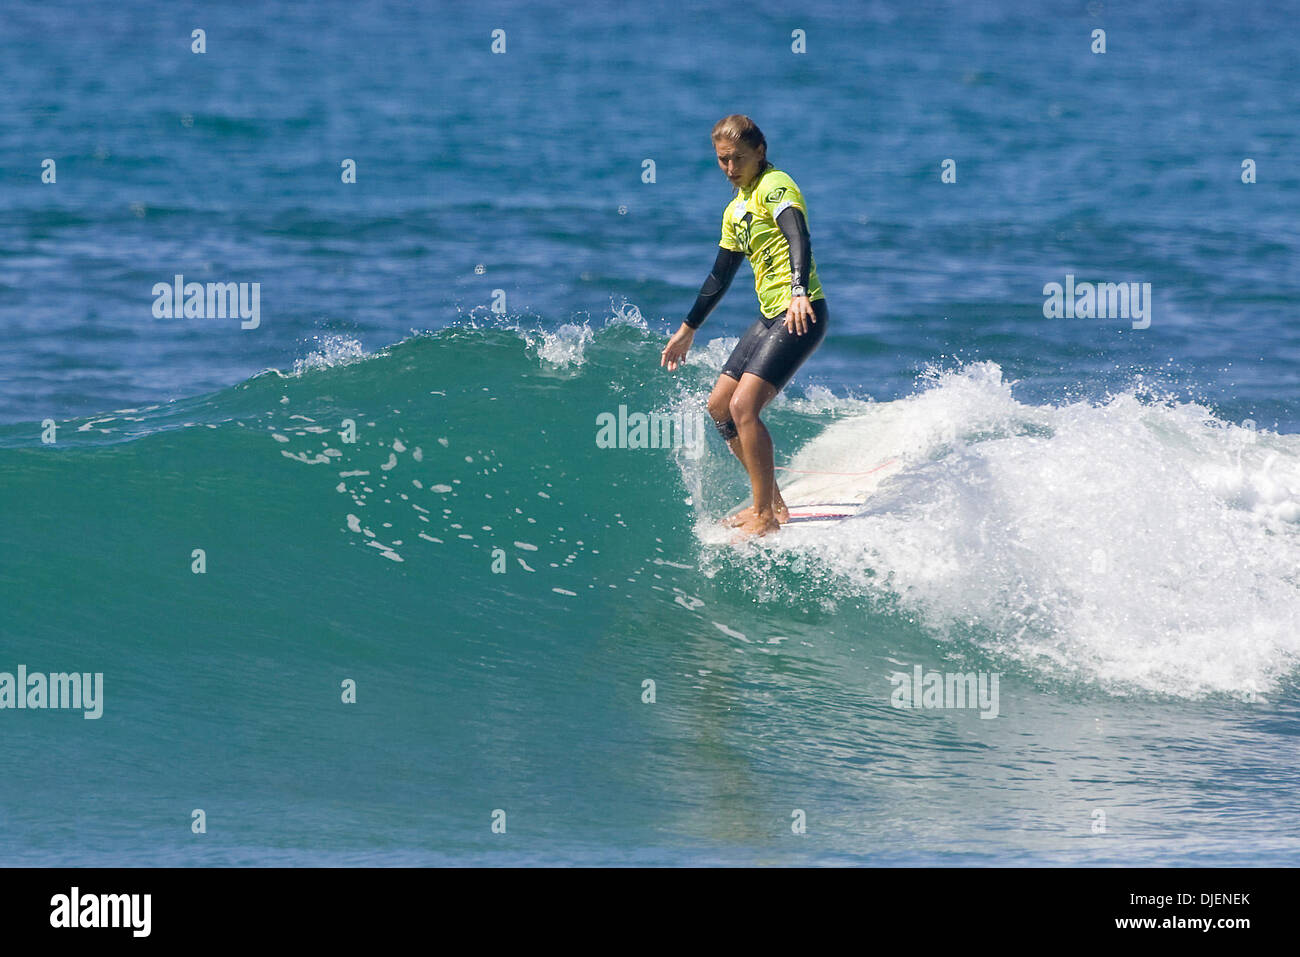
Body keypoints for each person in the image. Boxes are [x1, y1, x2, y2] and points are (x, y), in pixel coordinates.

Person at [660, 114, 828, 537]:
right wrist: (688, 328)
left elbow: (798, 235)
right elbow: (720, 276)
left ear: (760, 152)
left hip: (800, 312)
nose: (730, 169)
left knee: (743, 407)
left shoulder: (776, 187)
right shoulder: (736, 209)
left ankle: (764, 517)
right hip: (770, 316)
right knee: (719, 406)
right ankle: (773, 504)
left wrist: (797, 289)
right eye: (722, 161)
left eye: (737, 159)